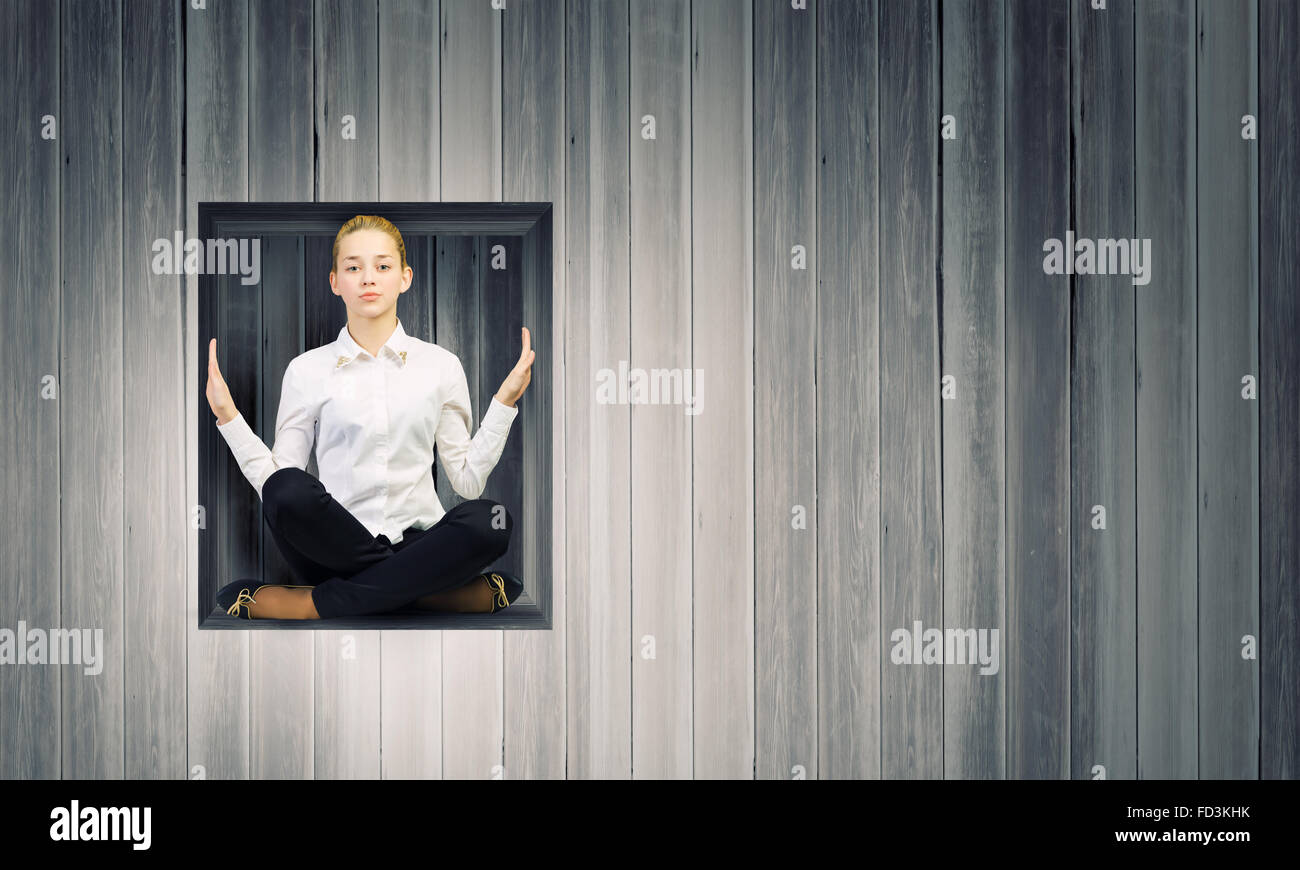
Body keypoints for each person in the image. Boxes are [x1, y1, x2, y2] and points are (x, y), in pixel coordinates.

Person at [204, 214, 535, 620]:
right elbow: (280, 485)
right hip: (334, 550)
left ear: (405, 277)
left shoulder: (441, 366)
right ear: (335, 281)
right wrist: (228, 417)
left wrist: (505, 401)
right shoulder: (306, 370)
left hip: (419, 546)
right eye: (353, 267)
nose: (368, 278)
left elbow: (467, 481)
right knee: (286, 488)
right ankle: (433, 595)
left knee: (491, 522)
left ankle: (310, 604)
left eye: (382, 266)